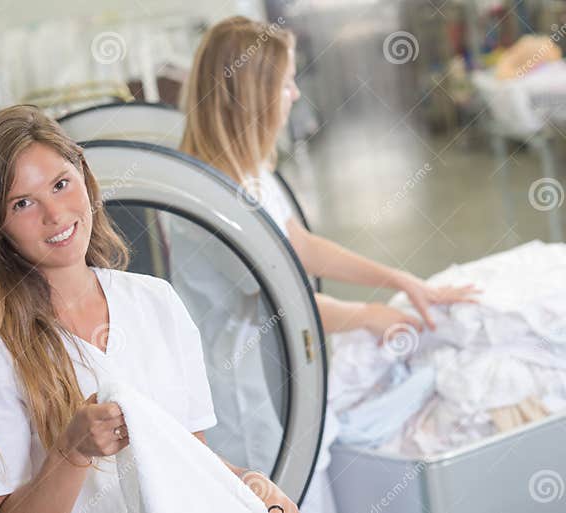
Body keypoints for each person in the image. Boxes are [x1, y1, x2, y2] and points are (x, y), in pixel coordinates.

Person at [173, 16, 480, 512]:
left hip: (287, 379)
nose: (294, 94)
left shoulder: (251, 173)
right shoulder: (212, 198)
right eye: (285, 83)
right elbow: (284, 300)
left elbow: (300, 246)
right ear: (252, 94)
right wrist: (367, 315)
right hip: (252, 400)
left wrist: (396, 279)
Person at [0, 105, 299, 513]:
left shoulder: (156, 302)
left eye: (60, 184)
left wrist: (249, 487)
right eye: (22, 204)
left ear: (85, 180)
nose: (54, 215)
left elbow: (186, 462)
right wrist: (72, 451)